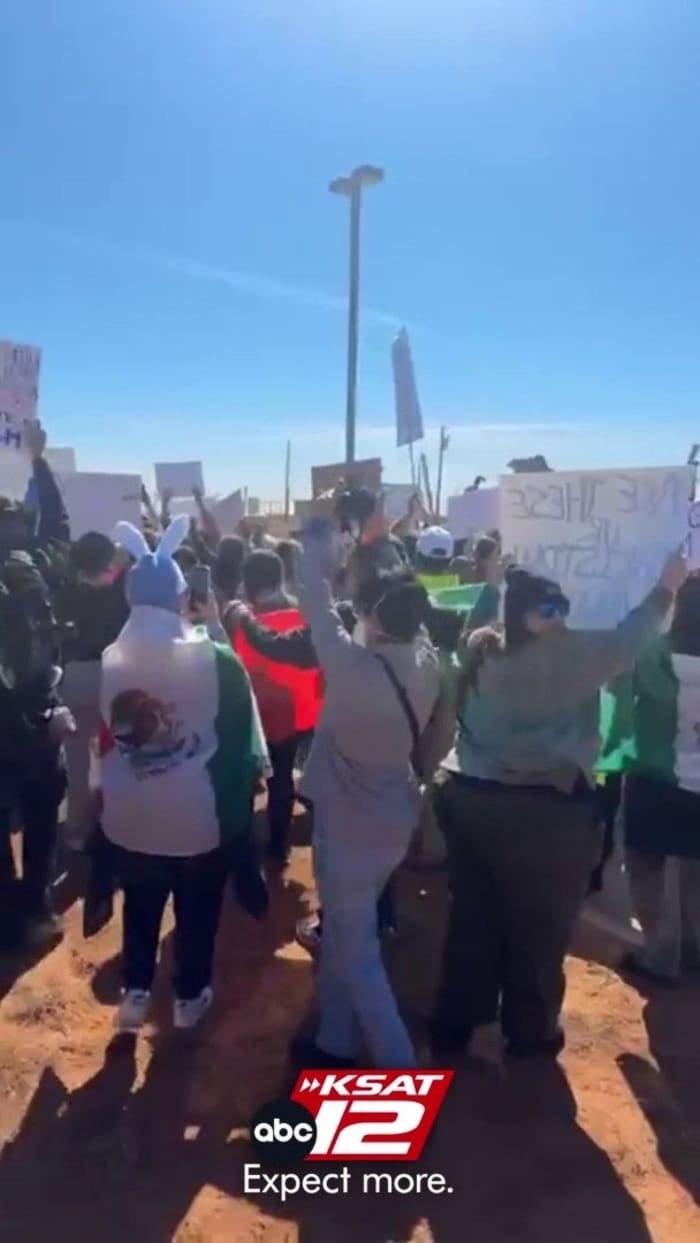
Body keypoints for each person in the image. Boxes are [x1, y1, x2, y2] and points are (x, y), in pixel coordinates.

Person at [430, 553, 687, 1060]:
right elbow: (630, 636)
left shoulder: (482, 648)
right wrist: (665, 587)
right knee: (540, 930)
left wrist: (491, 586)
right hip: (544, 814)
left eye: (560, 605)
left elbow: (473, 628)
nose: (559, 615)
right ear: (525, 612)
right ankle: (530, 1033)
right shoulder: (573, 653)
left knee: (474, 918)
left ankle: (457, 1024)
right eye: (548, 606)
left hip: (468, 798)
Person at [99, 516, 268, 1033]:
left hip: (129, 816)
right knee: (197, 912)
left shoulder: (112, 658)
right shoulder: (215, 659)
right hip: (197, 821)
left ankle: (135, 991)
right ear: (180, 596)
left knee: (142, 906)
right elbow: (242, 741)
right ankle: (188, 997)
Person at [294, 525, 441, 1068]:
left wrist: (320, 554)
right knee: (345, 928)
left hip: (348, 826)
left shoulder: (354, 668)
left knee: (358, 955)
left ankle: (401, 1068)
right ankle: (336, 1038)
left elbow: (315, 603)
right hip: (395, 816)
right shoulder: (426, 662)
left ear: (374, 618)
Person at [622, 572, 700, 983]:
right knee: (694, 872)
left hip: (656, 778)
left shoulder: (654, 655)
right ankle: (694, 947)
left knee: (648, 871)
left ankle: (660, 954)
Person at [57, 532, 129, 847]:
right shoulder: (118, 591)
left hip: (73, 677)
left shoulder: (63, 589)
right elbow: (129, 557)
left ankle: (77, 829)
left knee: (77, 761)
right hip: (112, 674)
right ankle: (116, 825)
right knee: (118, 753)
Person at [238, 549, 302, 863]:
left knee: (247, 782)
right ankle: (279, 844)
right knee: (283, 777)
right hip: (288, 713)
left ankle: (245, 849)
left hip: (251, 715)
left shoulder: (240, 617)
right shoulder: (299, 613)